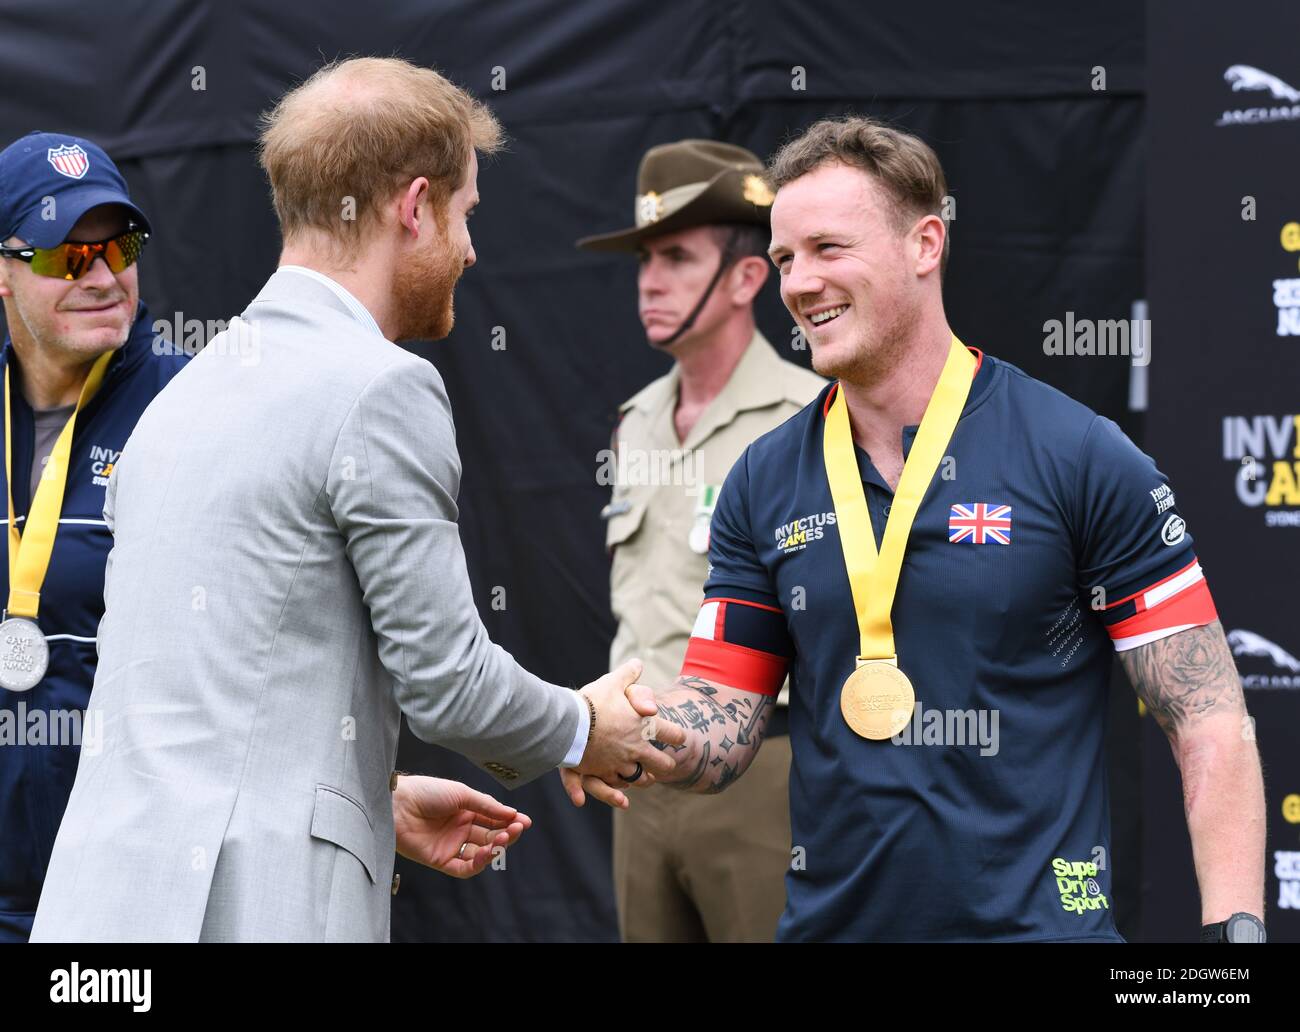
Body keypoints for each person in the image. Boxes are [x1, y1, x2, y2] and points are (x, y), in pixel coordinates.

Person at [567, 115, 1267, 943]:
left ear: (925, 243)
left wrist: (1235, 935)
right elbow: (727, 710)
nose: (800, 283)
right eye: (787, 258)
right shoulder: (765, 476)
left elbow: (1207, 713)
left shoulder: (1078, 454)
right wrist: (630, 728)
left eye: (829, 249)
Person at [30, 57, 683, 944]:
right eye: (465, 215)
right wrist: (584, 726)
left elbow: (197, 703)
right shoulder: (383, 388)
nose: (471, 250)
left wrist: (373, 797)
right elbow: (449, 686)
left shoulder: (179, 399)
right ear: (414, 206)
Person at [575, 139, 823, 941]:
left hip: (765, 771)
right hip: (638, 774)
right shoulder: (636, 419)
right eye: (645, 258)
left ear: (749, 277)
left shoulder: (811, 419)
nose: (650, 280)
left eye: (678, 257)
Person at [0, 132, 191, 942]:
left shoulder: (191, 409)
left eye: (119, 246)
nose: (105, 276)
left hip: (128, 901)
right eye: (66, 257)